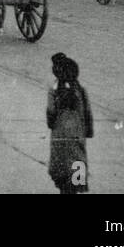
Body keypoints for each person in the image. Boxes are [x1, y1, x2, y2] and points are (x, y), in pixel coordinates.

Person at [46, 53, 93, 194]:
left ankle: (64, 191)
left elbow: (51, 111)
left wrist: (51, 124)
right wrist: (88, 131)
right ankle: (76, 187)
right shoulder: (80, 90)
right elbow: (87, 112)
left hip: (60, 135)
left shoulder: (54, 90)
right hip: (77, 135)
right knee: (77, 163)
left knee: (61, 168)